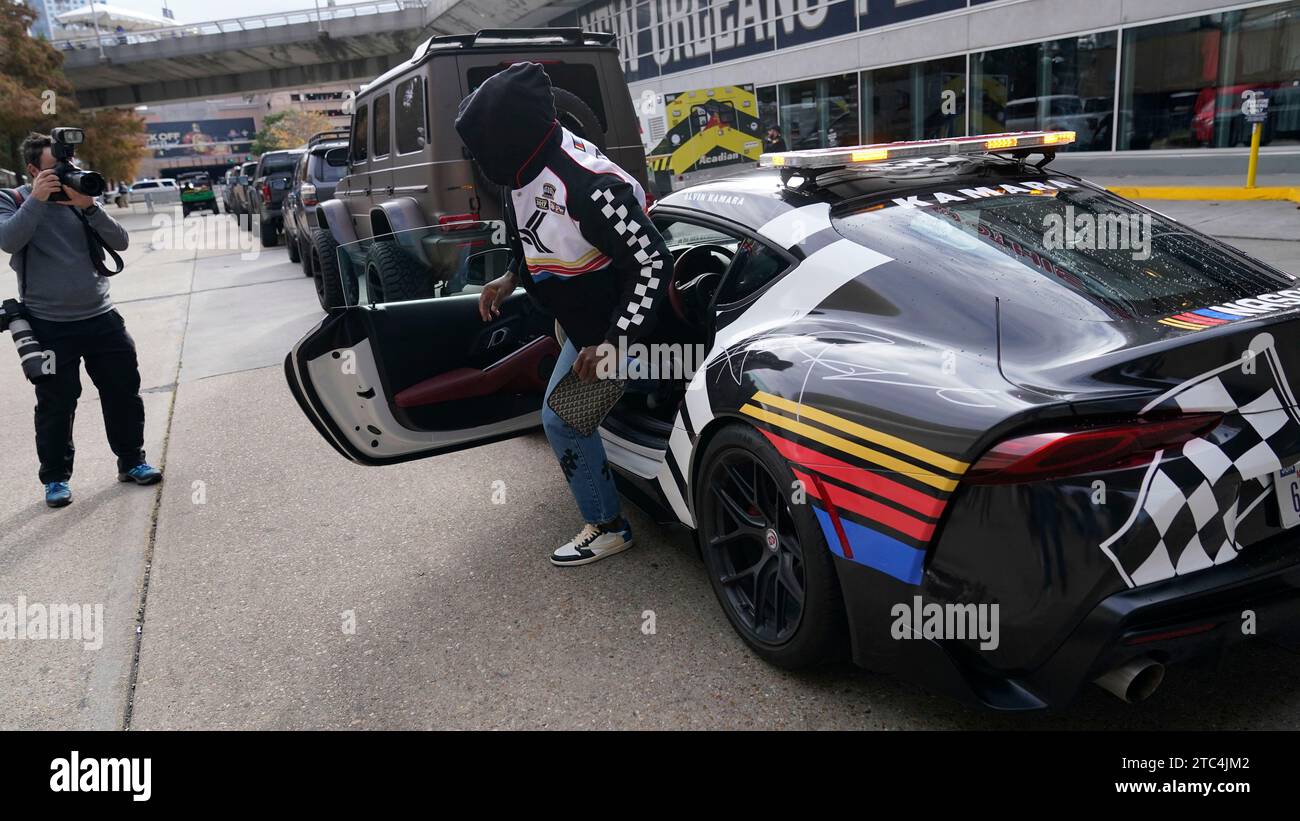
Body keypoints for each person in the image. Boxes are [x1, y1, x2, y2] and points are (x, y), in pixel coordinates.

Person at [455, 63, 673, 567]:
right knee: (569, 411)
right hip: (581, 320)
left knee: (563, 421)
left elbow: (652, 261)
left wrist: (614, 343)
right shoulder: (521, 168)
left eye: (483, 145)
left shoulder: (588, 184)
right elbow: (533, 230)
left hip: (624, 328)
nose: (479, 158)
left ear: (508, 135)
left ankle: (608, 526)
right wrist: (510, 277)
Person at [0, 133, 162, 509]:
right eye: (56, 167)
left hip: (102, 317)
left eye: (69, 165)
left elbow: (119, 241)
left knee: (123, 392)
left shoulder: (82, 193)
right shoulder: (14, 200)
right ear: (33, 170)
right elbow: (9, 240)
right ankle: (55, 478)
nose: (67, 172)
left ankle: (132, 461)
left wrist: (89, 206)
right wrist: (39, 200)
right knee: (57, 403)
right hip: (49, 325)